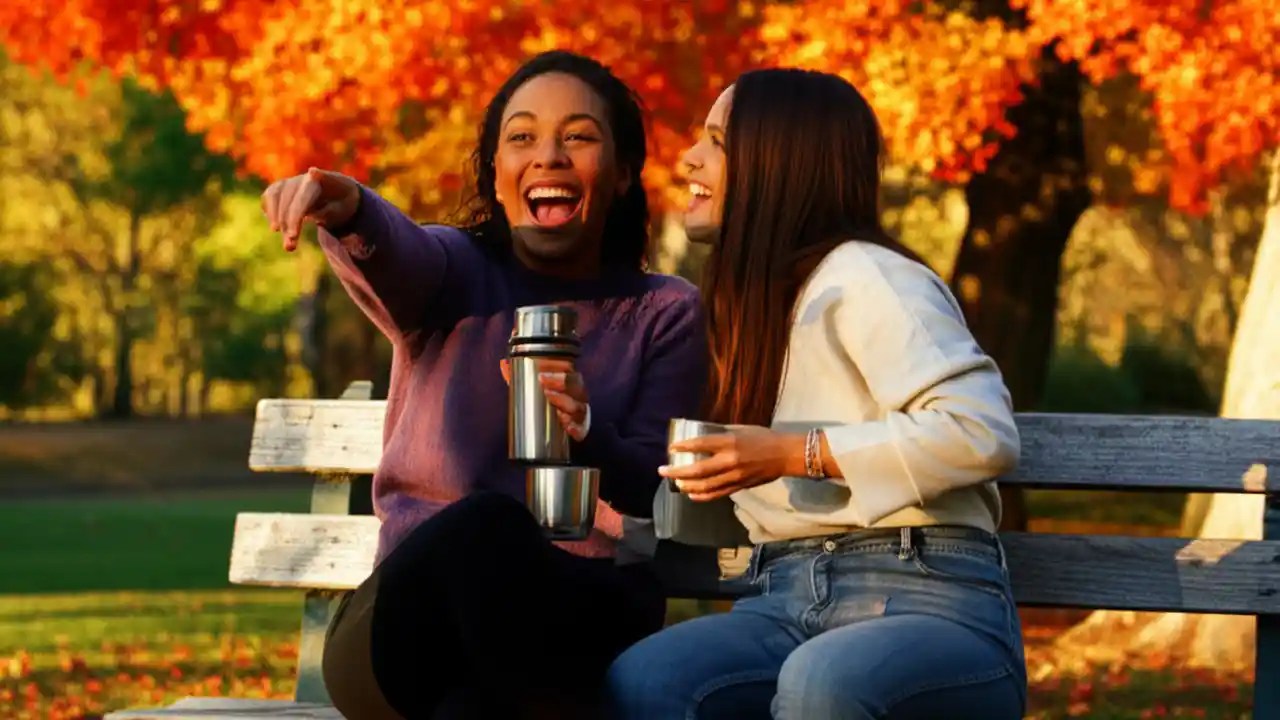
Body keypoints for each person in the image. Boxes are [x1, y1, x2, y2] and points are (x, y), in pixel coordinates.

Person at [260, 51, 707, 719]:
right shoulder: (451, 272)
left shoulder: (664, 312)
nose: (548, 156)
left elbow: (657, 492)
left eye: (578, 137)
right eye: (521, 137)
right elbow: (394, 248)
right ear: (495, 174)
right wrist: (347, 206)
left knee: (475, 709)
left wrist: (587, 436)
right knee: (486, 526)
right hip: (405, 634)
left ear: (621, 174)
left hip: (574, 628)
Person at [602, 68, 1027, 720]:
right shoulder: (748, 313)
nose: (689, 158)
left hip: (933, 599)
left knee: (822, 681)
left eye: (717, 141)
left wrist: (791, 453)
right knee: (647, 679)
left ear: (781, 163)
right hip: (781, 596)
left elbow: (980, 433)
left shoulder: (869, 276)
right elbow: (738, 509)